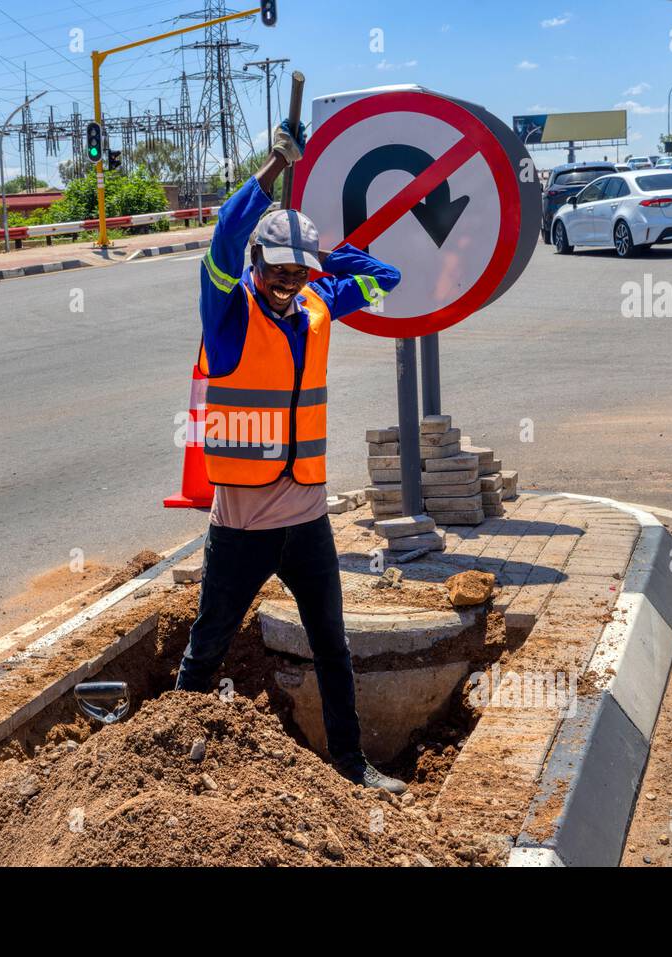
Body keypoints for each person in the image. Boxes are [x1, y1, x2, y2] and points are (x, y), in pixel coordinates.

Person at [174, 120, 407, 793]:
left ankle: (351, 765)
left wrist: (323, 256)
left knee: (333, 647)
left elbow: (385, 277)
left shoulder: (317, 303)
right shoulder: (227, 311)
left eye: (295, 271)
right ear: (254, 266)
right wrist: (277, 163)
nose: (285, 281)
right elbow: (221, 234)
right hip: (241, 526)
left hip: (306, 521)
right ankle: (164, 763)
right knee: (205, 650)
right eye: (276, 268)